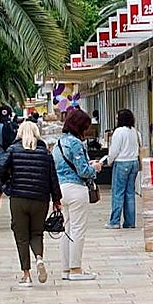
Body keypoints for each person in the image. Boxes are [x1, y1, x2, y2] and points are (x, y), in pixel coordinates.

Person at [0, 121, 62, 287]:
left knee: (21, 237)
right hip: (40, 199)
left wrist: (7, 186)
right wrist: (56, 199)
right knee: (37, 233)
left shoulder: (13, 150)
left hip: (19, 198)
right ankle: (39, 258)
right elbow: (52, 178)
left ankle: (26, 275)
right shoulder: (45, 153)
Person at [53, 108, 100, 280]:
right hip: (76, 190)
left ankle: (66, 269)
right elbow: (83, 171)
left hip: (61, 189)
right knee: (78, 230)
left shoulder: (58, 144)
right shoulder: (75, 143)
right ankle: (76, 269)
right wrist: (94, 167)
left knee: (67, 230)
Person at [106, 109, 142, 229]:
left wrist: (109, 161)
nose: (116, 120)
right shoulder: (135, 132)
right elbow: (140, 145)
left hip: (122, 163)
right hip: (134, 163)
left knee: (118, 193)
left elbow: (114, 150)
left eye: (117, 118)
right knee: (130, 193)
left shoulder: (119, 132)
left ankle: (114, 221)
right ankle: (130, 222)